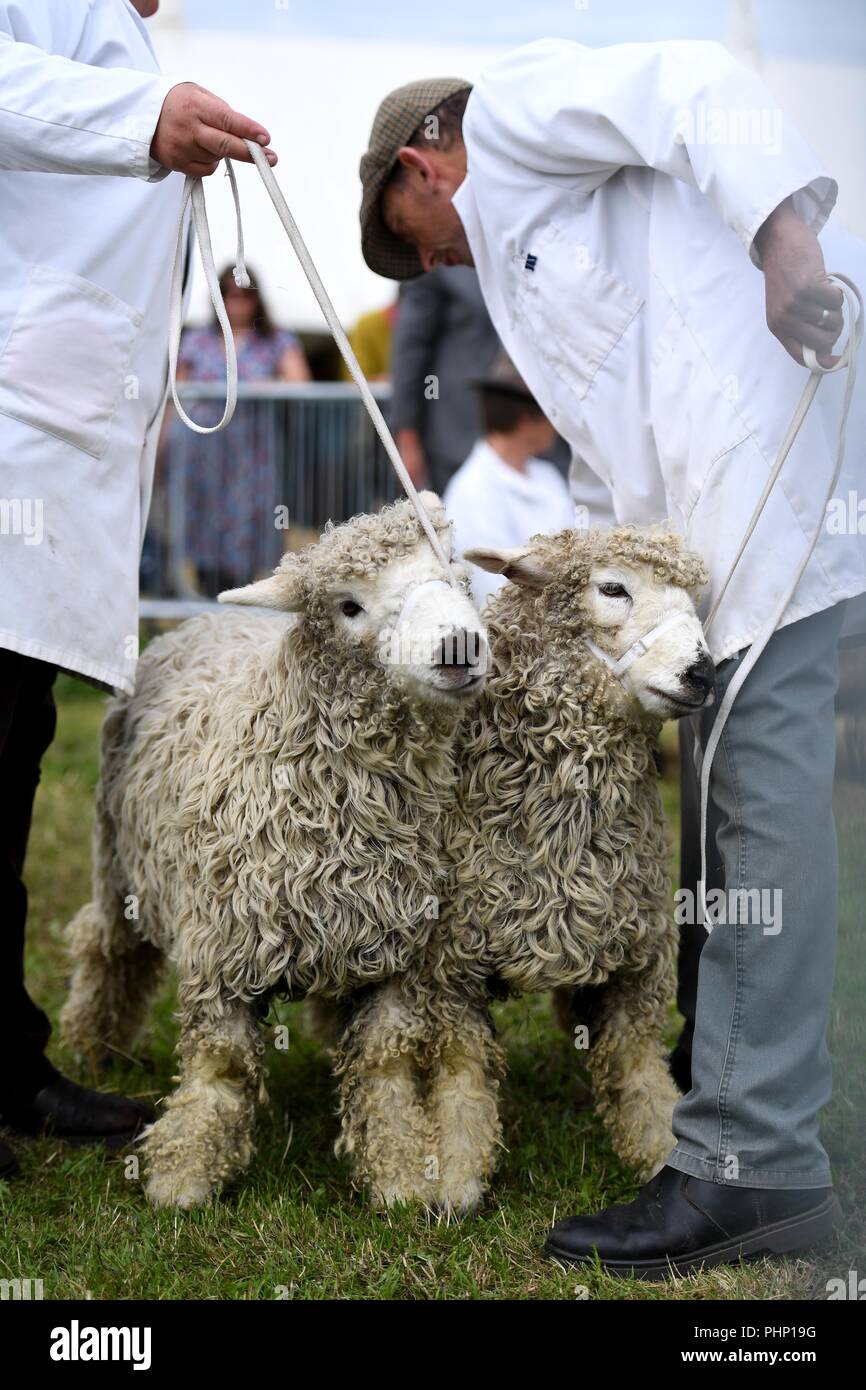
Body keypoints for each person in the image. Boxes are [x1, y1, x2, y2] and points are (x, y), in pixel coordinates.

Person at [358, 39, 866, 1276]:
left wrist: (781, 239)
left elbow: (697, 86)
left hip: (770, 472)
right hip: (695, 546)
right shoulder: (530, 275)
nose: (431, 262)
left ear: (428, 162)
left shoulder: (521, 114)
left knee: (760, 796)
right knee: (712, 805)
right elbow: (604, 446)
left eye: (413, 234)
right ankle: (728, 1086)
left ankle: (754, 1164)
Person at [0, 0, 275, 1182]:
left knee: (11, 755)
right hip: (14, 436)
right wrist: (145, 119)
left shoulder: (109, 17)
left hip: (51, 454)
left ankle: (5, 1066)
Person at [174, 265, 310, 596]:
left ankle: (241, 596)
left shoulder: (275, 339)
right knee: (205, 522)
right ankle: (209, 596)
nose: (236, 301)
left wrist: (268, 385)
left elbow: (300, 381)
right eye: (228, 293)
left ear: (256, 298)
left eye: (244, 294)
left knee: (251, 525)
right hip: (203, 454)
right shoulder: (197, 340)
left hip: (253, 455)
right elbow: (175, 394)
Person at [443, 354, 576, 608]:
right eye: (551, 413)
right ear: (527, 418)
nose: (556, 425)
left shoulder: (547, 476)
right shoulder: (473, 491)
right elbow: (493, 594)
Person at [390, 265, 500, 493]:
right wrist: (406, 435)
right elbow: (411, 349)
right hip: (453, 441)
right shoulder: (435, 261)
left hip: (530, 444)